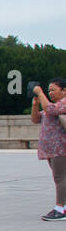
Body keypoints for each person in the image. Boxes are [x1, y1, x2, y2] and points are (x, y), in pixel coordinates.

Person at [30, 78, 66, 220]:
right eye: (48, 90)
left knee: (60, 177)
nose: (50, 93)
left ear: (64, 90)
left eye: (53, 90)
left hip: (61, 148)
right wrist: (35, 105)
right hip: (52, 149)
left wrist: (40, 93)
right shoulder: (52, 105)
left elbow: (50, 110)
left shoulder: (63, 103)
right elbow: (36, 119)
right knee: (60, 178)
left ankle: (60, 209)